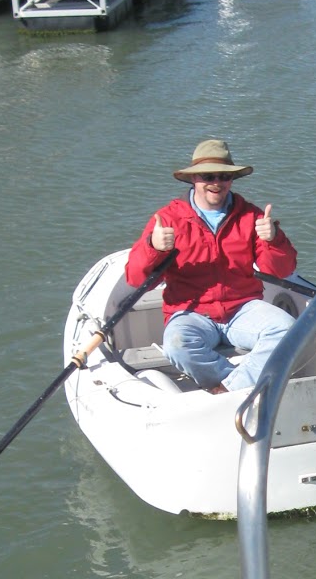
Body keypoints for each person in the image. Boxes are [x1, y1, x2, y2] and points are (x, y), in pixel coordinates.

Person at [125, 138, 299, 394]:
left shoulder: (251, 216)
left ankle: (227, 391)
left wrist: (273, 239)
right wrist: (154, 246)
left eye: (224, 176)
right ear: (193, 179)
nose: (216, 183)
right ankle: (244, 385)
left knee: (289, 331)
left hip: (242, 308)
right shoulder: (168, 219)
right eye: (208, 176)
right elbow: (134, 278)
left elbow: (280, 271)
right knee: (177, 345)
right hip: (190, 312)